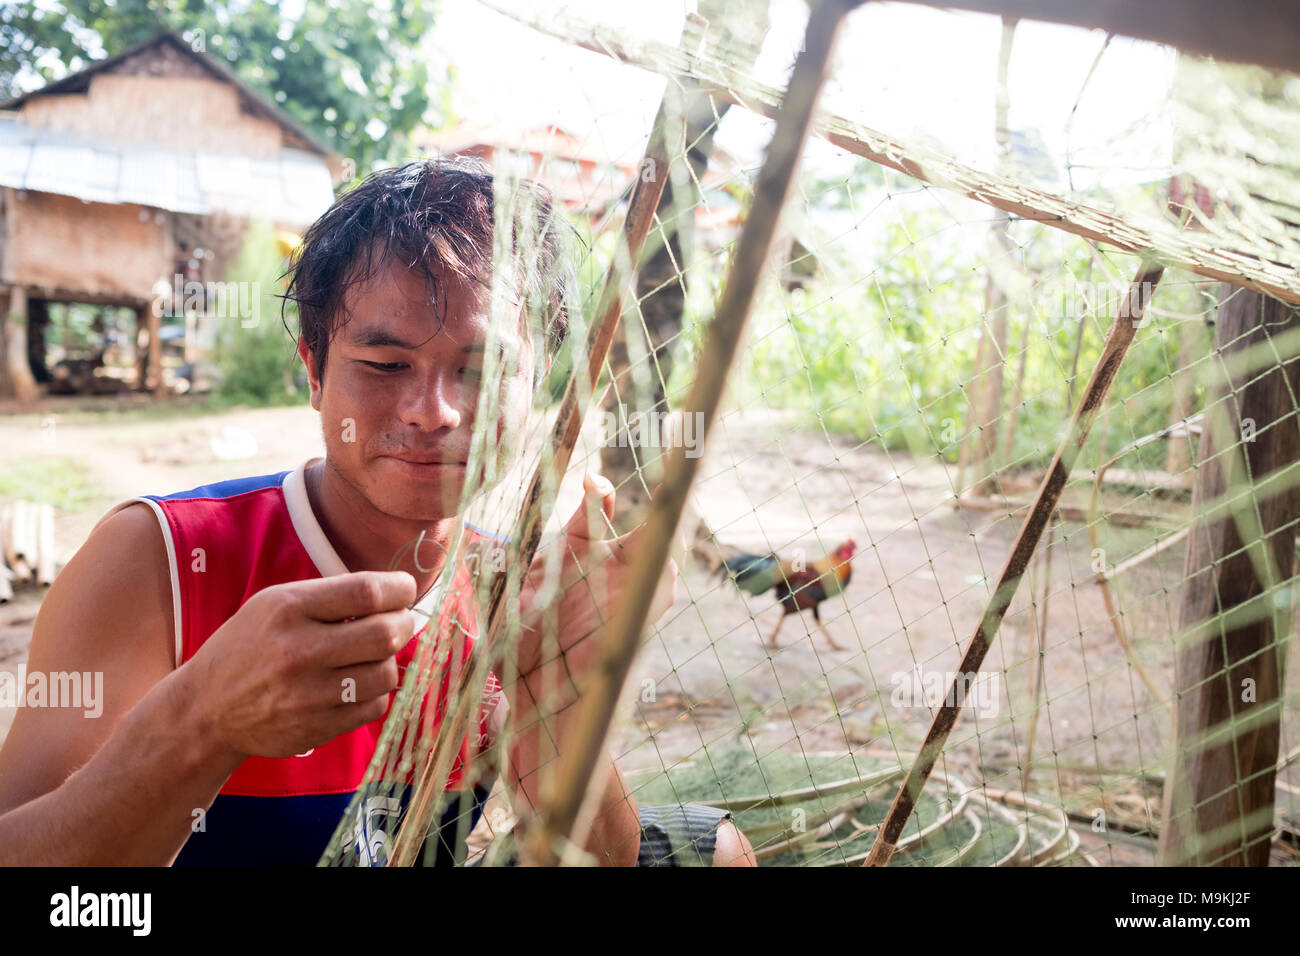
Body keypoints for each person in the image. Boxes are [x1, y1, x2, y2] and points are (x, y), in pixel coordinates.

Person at [0, 157, 753, 867]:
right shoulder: (160, 557)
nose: (433, 412)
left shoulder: (512, 591)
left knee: (710, 849)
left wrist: (552, 702)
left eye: (483, 369)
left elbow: (600, 857)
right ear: (313, 372)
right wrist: (201, 721)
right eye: (385, 364)